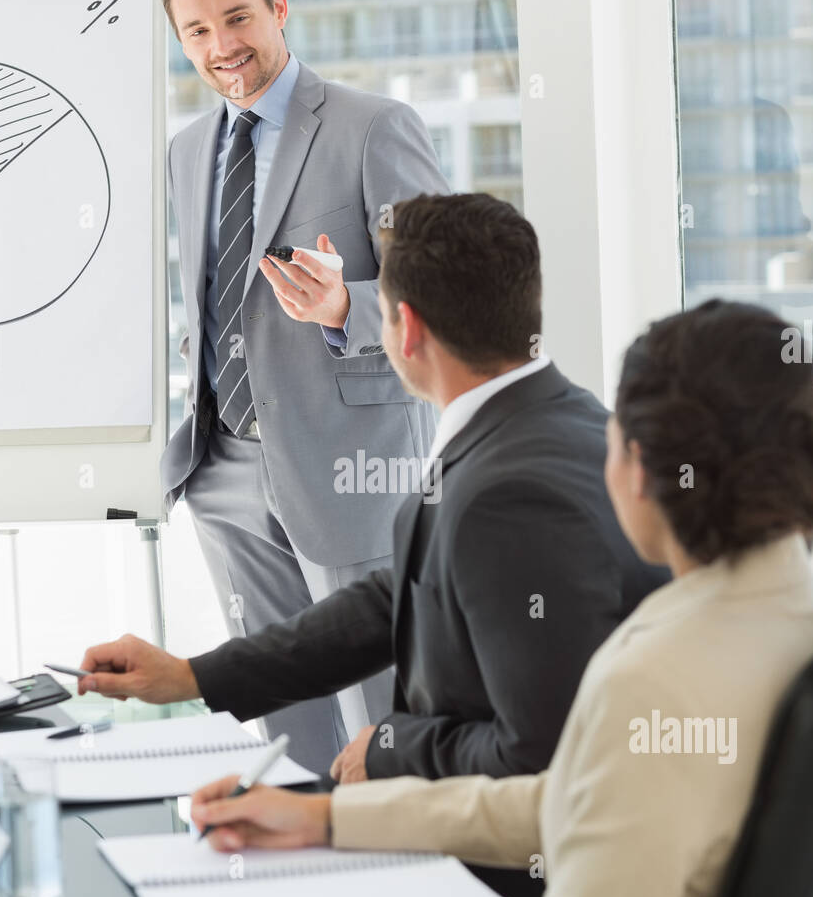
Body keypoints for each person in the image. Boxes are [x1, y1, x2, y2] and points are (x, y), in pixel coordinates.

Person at [185, 299, 813, 897]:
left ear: (636, 465)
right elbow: (570, 800)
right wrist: (330, 818)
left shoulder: (656, 677)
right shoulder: (785, 625)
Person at [79, 195, 663, 819]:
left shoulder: (508, 492)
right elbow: (399, 597)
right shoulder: (561, 422)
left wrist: (389, 749)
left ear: (405, 330)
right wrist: (193, 676)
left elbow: (539, 749)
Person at [160, 0, 448, 774]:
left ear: (280, 8)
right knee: (284, 724)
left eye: (238, 17)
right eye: (197, 31)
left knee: (380, 719)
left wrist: (344, 304)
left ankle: (410, 893)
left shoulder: (373, 126)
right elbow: (215, 297)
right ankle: (312, 883)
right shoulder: (185, 152)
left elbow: (439, 291)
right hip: (224, 470)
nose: (222, 47)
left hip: (348, 462)